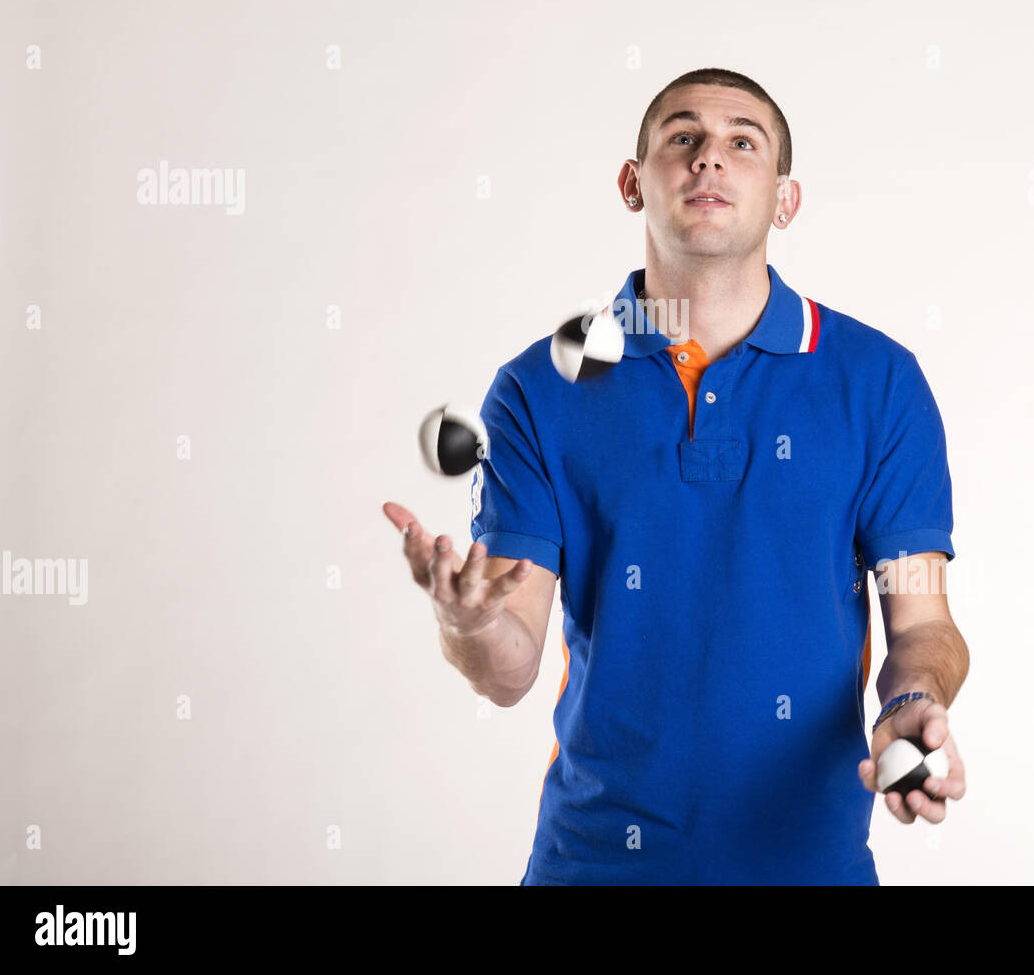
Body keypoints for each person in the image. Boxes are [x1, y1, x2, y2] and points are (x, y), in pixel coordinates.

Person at [382, 67, 969, 885]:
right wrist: (468, 623)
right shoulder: (540, 389)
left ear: (785, 198)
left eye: (742, 143)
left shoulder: (879, 382)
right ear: (633, 183)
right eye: (682, 138)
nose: (709, 160)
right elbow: (508, 670)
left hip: (812, 868)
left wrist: (911, 710)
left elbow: (921, 628)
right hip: (592, 864)